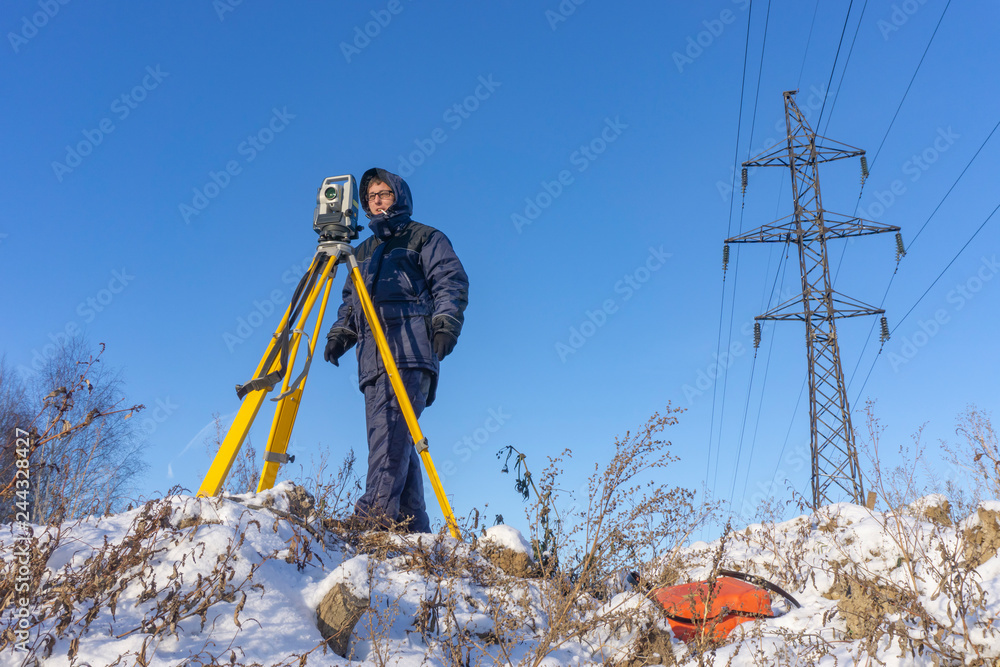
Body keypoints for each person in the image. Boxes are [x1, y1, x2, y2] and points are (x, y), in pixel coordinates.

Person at [323, 167, 469, 533]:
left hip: (410, 349)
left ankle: (371, 522)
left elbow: (449, 280)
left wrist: (446, 323)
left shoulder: (425, 237)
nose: (376, 201)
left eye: (384, 194)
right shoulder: (363, 252)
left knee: (388, 435)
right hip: (373, 359)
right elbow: (350, 301)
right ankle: (413, 531)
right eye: (371, 196)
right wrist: (342, 333)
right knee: (397, 440)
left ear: (399, 197)